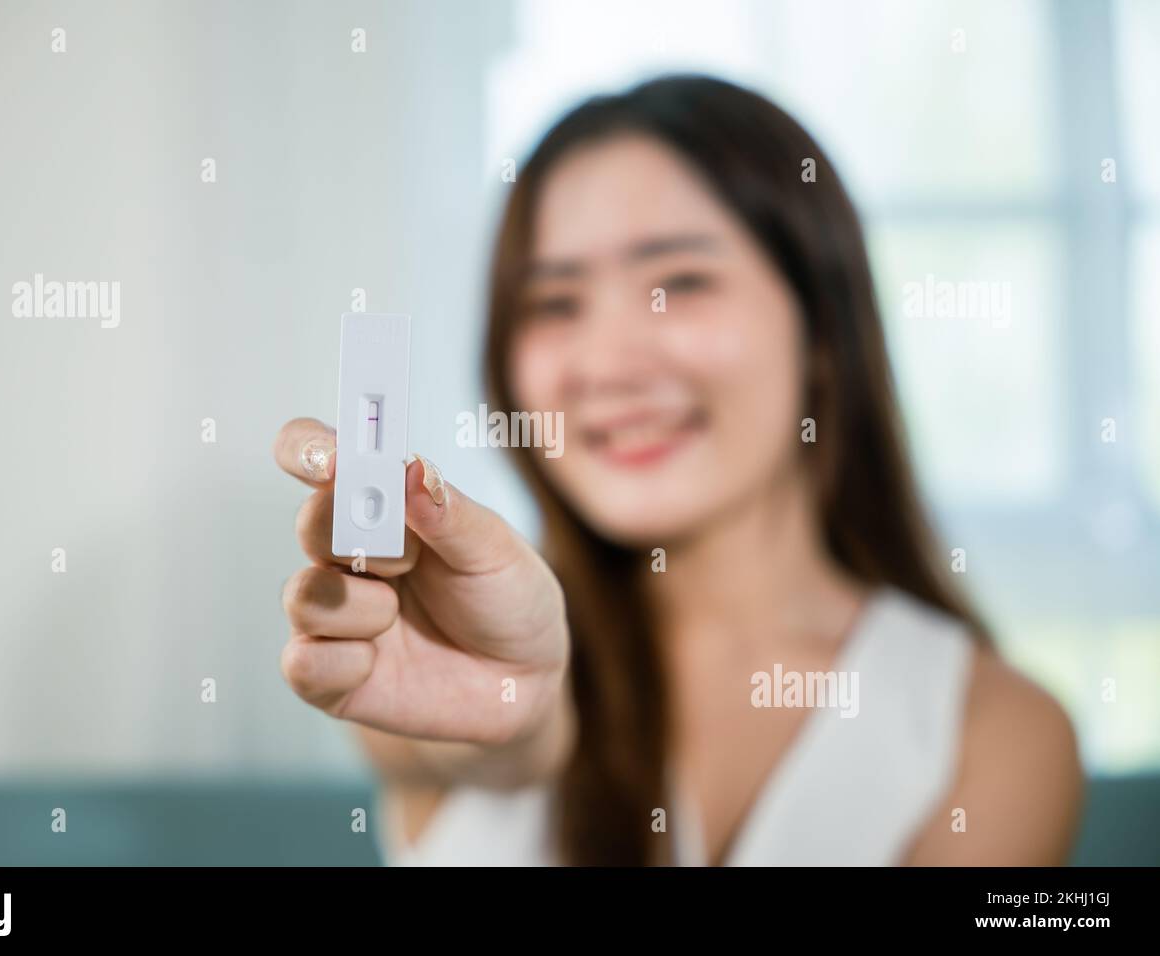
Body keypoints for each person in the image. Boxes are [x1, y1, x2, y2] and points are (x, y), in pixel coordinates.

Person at [271, 75, 1083, 866]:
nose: (608, 363)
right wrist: (517, 719)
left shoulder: (992, 730)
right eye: (555, 303)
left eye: (681, 283)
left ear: (824, 333)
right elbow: (496, 746)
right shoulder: (442, 638)